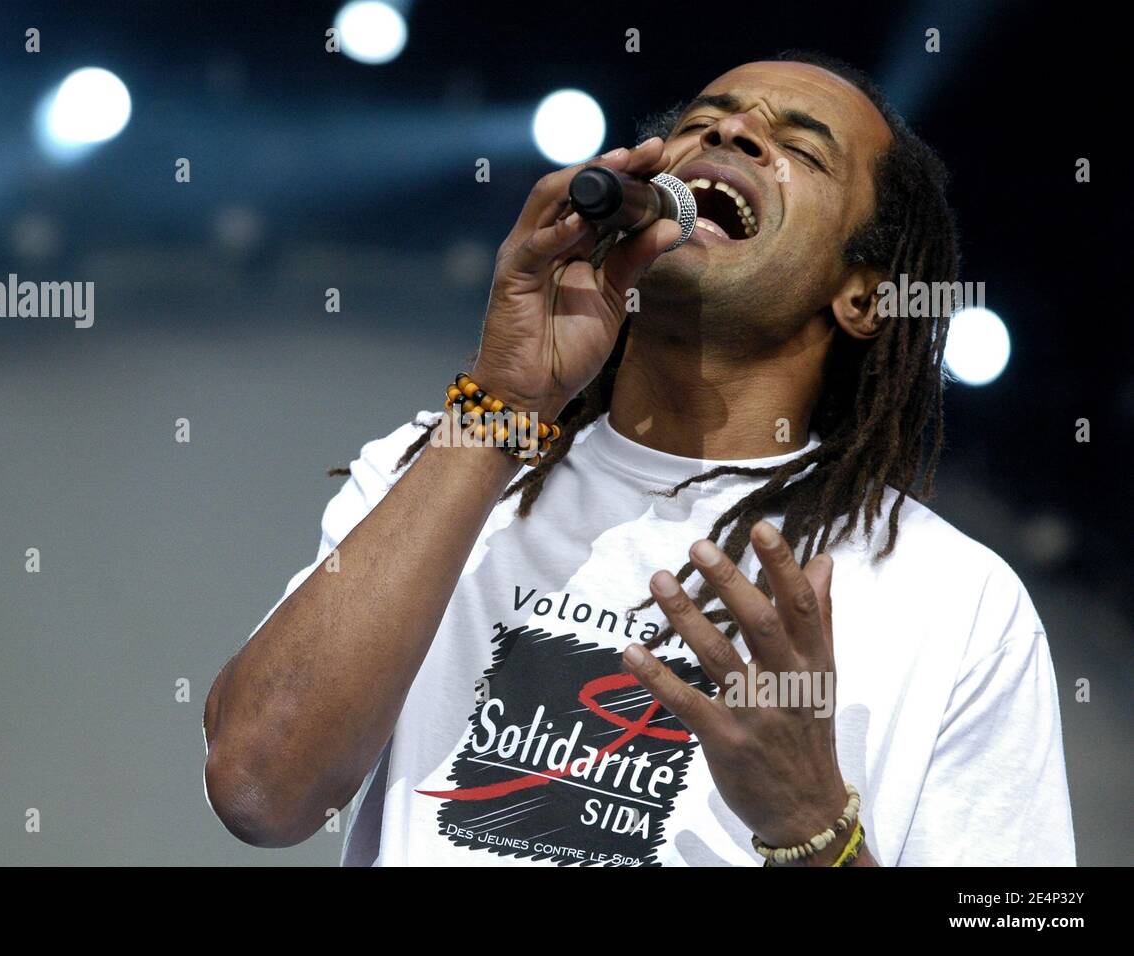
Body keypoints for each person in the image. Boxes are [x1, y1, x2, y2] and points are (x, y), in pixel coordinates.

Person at [201, 51, 1075, 867]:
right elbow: (260, 789)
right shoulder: (440, 465)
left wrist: (816, 829)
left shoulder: (956, 603)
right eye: (708, 120)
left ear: (863, 295)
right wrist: (503, 408)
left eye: (800, 150)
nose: (731, 135)